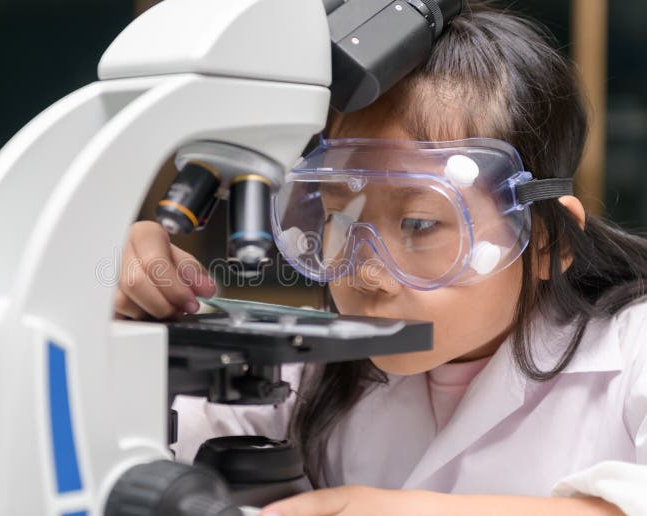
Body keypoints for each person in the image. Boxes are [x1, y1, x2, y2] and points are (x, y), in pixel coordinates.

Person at [114, 3, 647, 515]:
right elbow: (122, 455)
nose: (365, 270)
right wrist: (108, 323)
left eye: (419, 223)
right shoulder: (305, 376)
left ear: (546, 246)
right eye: (340, 219)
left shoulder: (633, 353)